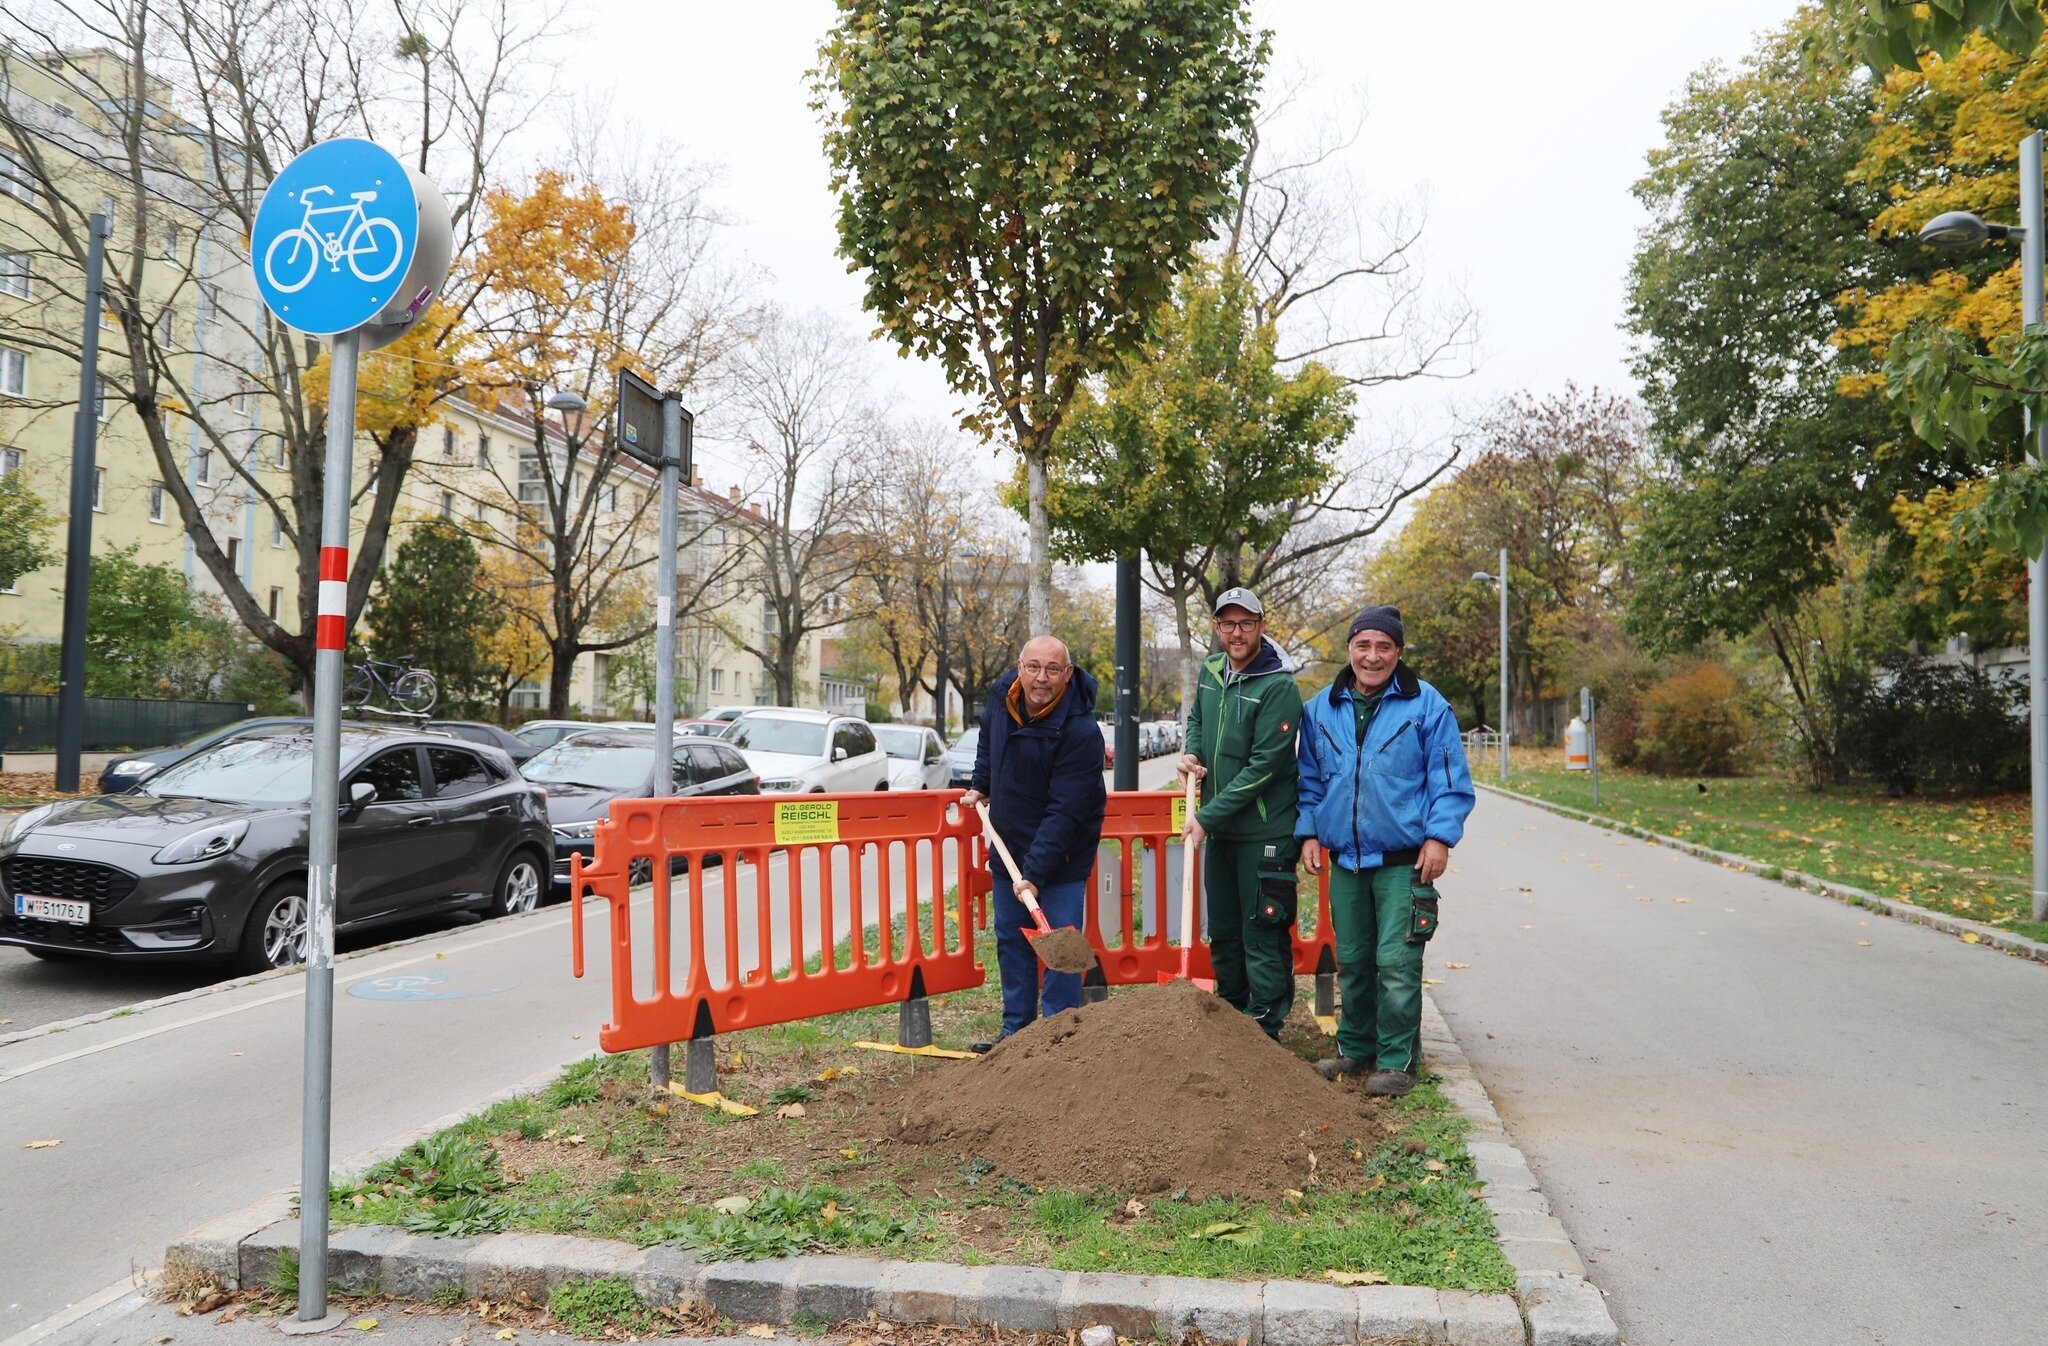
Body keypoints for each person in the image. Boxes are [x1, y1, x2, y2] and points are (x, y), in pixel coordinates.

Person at [1295, 605, 1475, 1097]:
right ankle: (1354, 1049)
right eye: (1363, 645)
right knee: (1352, 959)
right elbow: (1310, 782)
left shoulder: (1427, 706)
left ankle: (1397, 1060)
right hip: (1345, 862)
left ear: (1398, 651)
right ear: (1349, 648)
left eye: (1384, 647)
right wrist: (1308, 833)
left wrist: (1440, 837)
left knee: (1396, 963)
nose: (1372, 656)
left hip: (1403, 861)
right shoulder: (1320, 709)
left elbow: (1450, 779)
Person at [959, 634, 1106, 1051]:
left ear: (1068, 675)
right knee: (1012, 939)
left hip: (1061, 853)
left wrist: (1035, 874)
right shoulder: (1001, 697)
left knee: (1058, 944)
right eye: (1033, 667)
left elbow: (1065, 812)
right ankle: (1016, 1034)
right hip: (1008, 843)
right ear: (1020, 667)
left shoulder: (1080, 731)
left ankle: (1057, 1038)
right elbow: (989, 744)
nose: (1041, 679)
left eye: (1053, 670)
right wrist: (981, 785)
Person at [1177, 587, 1304, 1039]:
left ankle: (1266, 1024)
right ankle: (1232, 1016)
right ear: (1216, 627)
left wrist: (1207, 817)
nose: (1237, 633)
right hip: (1223, 831)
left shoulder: (1279, 686)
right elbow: (1196, 719)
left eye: (1246, 623)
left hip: (1264, 831)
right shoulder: (1211, 670)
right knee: (1226, 930)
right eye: (1227, 624)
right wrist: (1192, 754)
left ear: (1261, 626)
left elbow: (1264, 768)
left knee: (1261, 931)